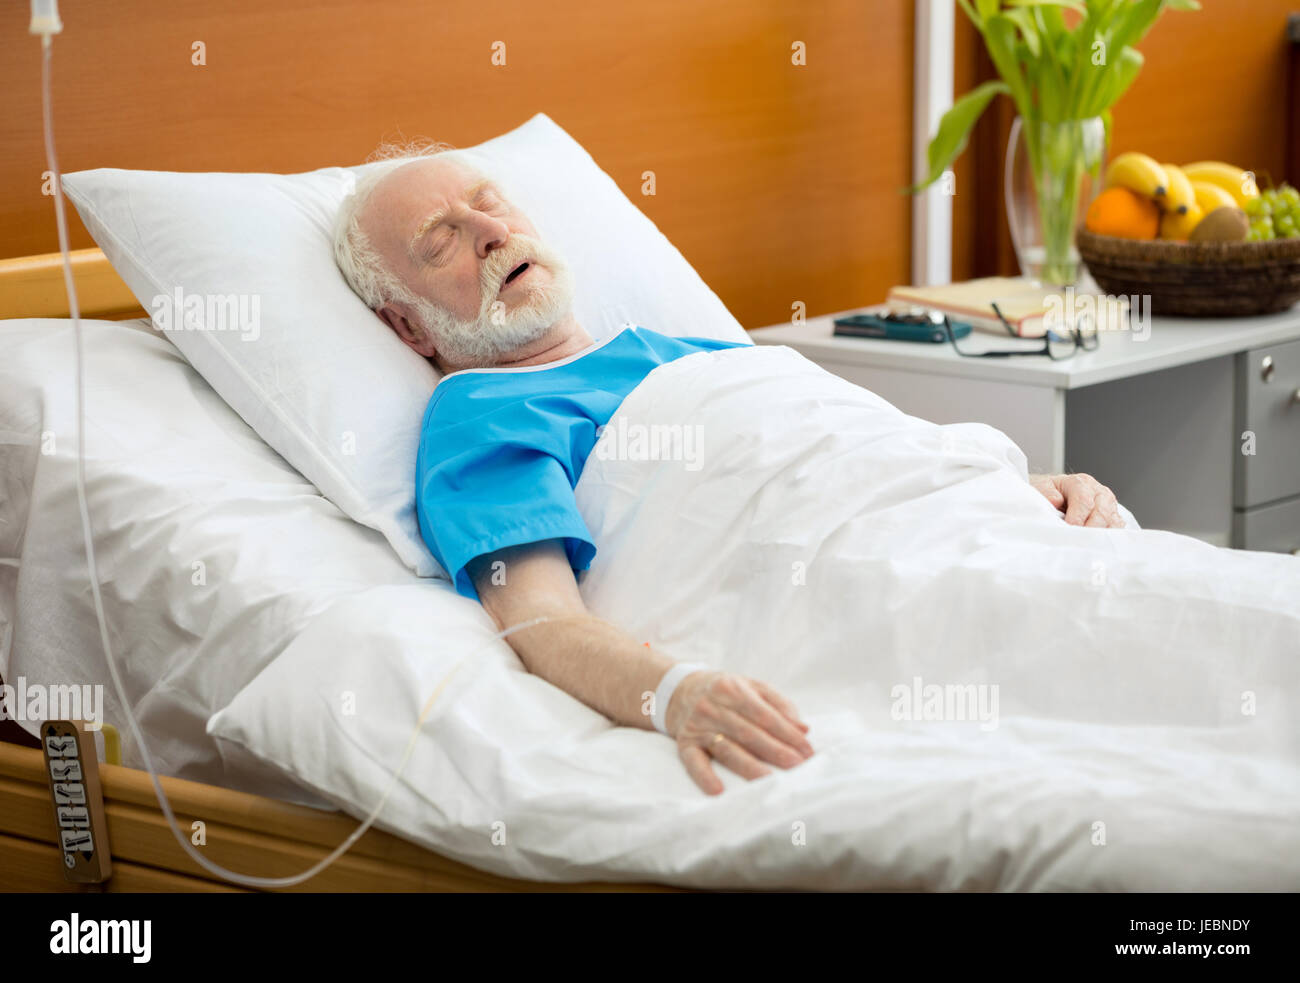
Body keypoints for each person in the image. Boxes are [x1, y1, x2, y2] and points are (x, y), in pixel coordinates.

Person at [333, 146, 1125, 795]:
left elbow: (855, 455)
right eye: (442, 238)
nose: (491, 231)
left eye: (490, 200)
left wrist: (1030, 487)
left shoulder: (688, 354)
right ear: (406, 324)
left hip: (986, 536)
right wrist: (675, 693)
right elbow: (543, 624)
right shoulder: (482, 417)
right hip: (871, 596)